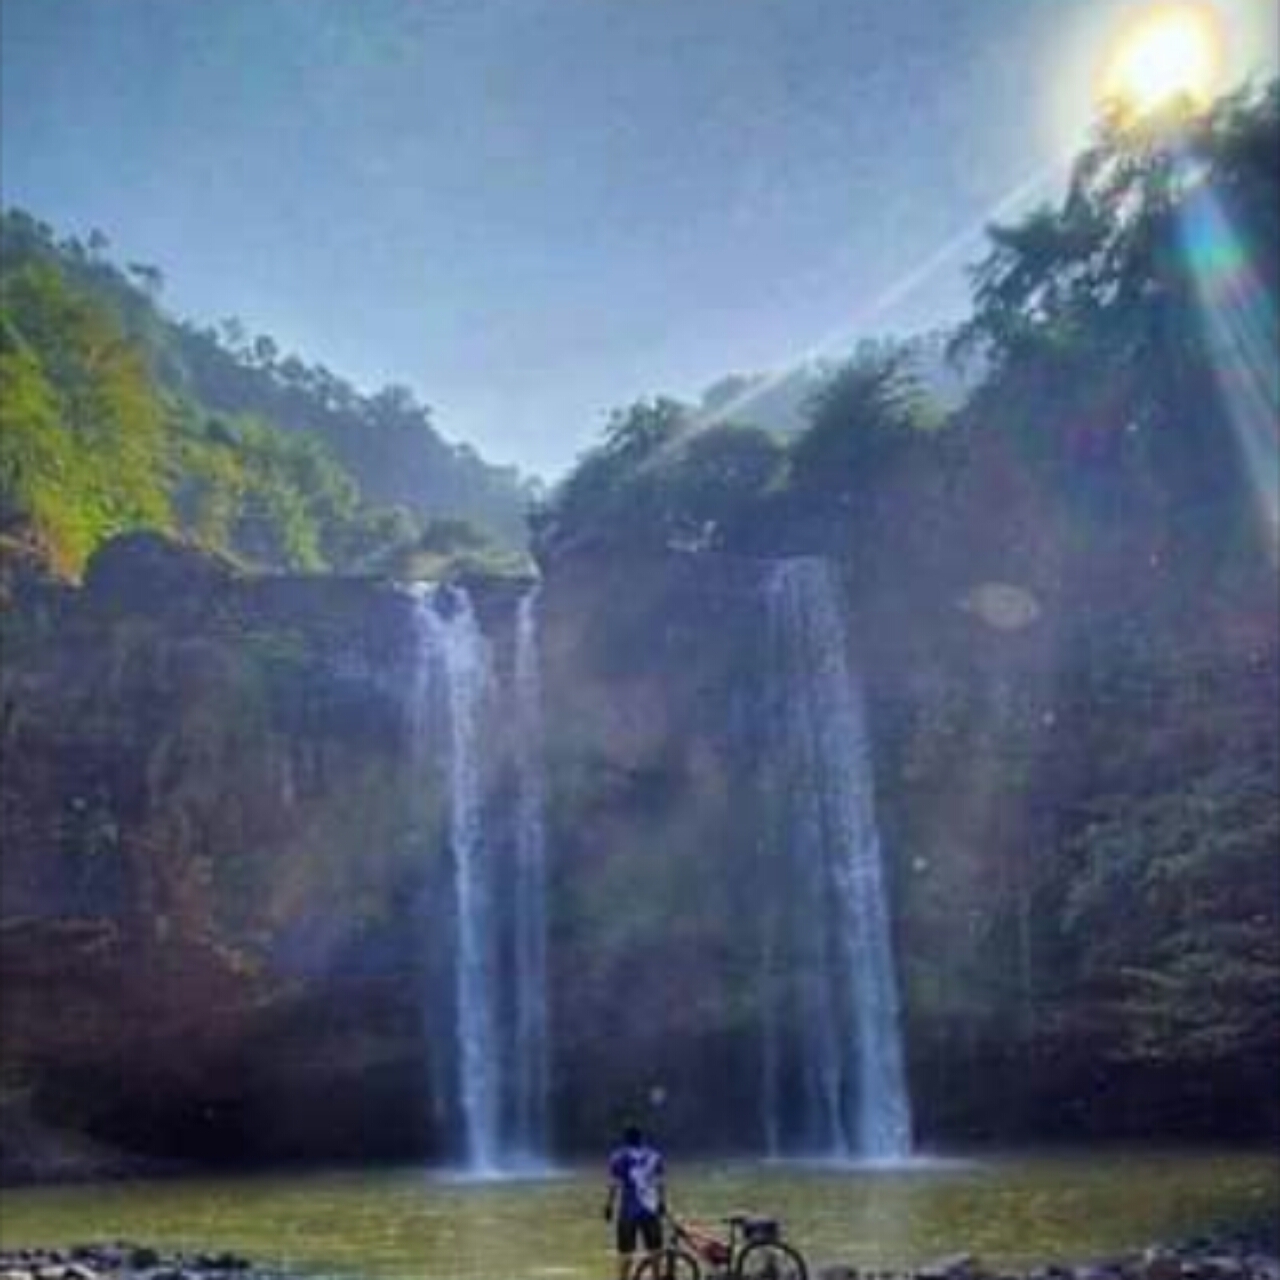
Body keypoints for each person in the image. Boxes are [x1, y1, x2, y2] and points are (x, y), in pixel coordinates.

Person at [603, 1123, 666, 1280]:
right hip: (650, 1210)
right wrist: (662, 1203)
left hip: (628, 1212)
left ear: (625, 1140)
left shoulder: (618, 1157)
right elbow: (660, 1183)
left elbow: (614, 1185)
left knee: (625, 1253)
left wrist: (609, 1206)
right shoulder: (655, 1156)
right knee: (655, 1251)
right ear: (641, 1139)